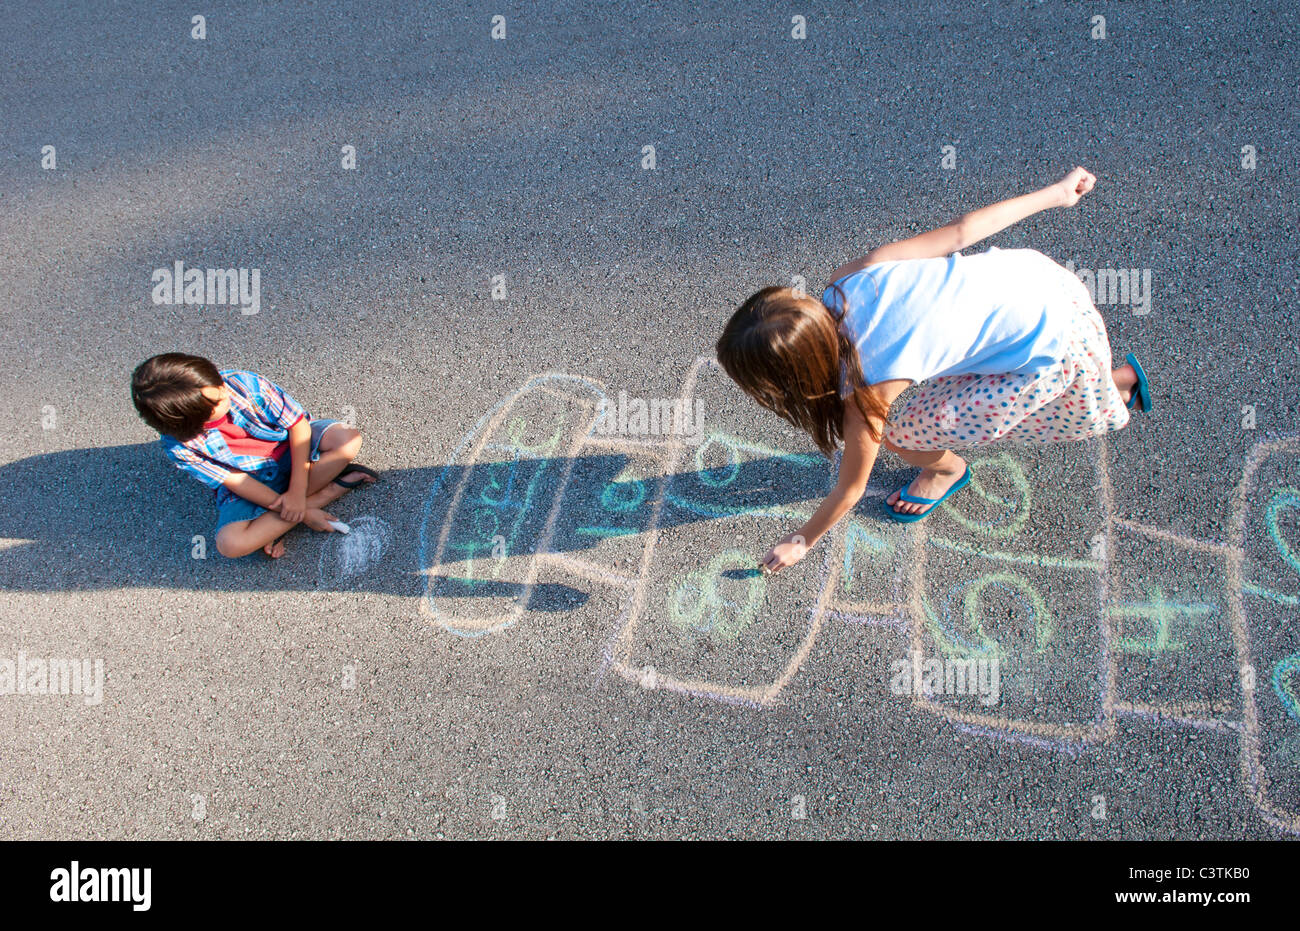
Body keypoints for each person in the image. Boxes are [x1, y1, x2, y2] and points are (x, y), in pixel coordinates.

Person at [714, 167, 1152, 575]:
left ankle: (947, 472)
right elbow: (964, 230)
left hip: (1053, 348)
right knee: (948, 371)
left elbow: (850, 488)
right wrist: (1055, 194)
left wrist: (801, 541)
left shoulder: (868, 388)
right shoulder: (848, 279)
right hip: (1044, 283)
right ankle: (1114, 380)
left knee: (904, 432)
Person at [130, 353, 378, 559]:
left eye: (218, 386)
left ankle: (281, 522)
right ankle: (324, 495)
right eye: (215, 403)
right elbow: (236, 480)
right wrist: (300, 511)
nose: (224, 394)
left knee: (347, 439)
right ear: (190, 422)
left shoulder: (243, 384)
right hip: (255, 483)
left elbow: (298, 426)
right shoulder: (180, 446)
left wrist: (296, 493)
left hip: (294, 452)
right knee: (230, 545)